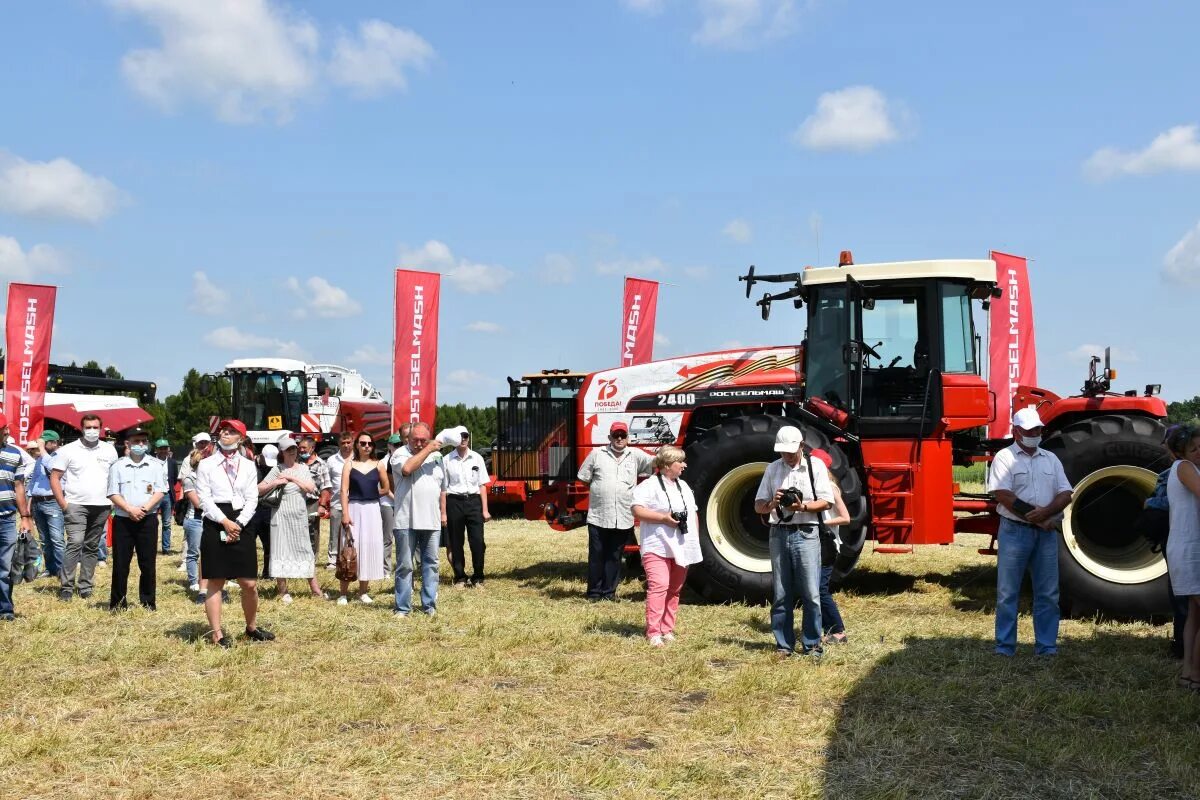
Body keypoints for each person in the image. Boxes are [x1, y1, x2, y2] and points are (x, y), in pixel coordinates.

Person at [987, 406, 1074, 657]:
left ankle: (1046, 648)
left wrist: (1045, 514)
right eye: (1029, 430)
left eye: (1037, 429)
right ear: (1016, 432)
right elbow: (1002, 494)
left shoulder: (1051, 458)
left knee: (1048, 594)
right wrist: (1038, 518)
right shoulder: (1004, 457)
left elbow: (1066, 492)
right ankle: (1005, 648)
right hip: (1015, 531)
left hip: (1045, 534)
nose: (1035, 433)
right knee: (1007, 593)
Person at [754, 425, 834, 657]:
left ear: (801, 446)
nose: (786, 457)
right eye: (782, 452)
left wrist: (802, 507)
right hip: (778, 532)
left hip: (807, 532)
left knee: (810, 592)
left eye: (790, 452)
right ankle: (783, 645)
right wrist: (773, 502)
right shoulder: (772, 469)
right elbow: (758, 505)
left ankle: (811, 644)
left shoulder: (814, 465)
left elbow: (827, 501)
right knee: (781, 592)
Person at [195, 419, 273, 647]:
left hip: (242, 520)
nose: (225, 434)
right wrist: (224, 521)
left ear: (241, 438)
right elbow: (204, 498)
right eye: (223, 431)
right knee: (215, 581)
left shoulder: (248, 466)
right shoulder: (206, 464)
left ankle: (251, 627)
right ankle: (217, 633)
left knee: (249, 583)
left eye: (231, 432)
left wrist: (237, 523)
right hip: (215, 519)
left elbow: (252, 498)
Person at [630, 446, 702, 646]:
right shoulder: (649, 486)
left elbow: (693, 512)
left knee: (675, 588)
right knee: (659, 586)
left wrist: (694, 539)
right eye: (681, 462)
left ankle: (667, 628)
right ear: (669, 465)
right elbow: (636, 510)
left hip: (682, 545)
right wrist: (663, 518)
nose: (684, 465)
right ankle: (653, 632)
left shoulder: (684, 486)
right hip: (657, 545)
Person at [577, 421, 654, 602]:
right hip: (599, 515)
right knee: (597, 555)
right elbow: (583, 478)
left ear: (628, 438)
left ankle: (609, 593)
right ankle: (594, 593)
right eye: (616, 435)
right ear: (609, 437)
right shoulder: (597, 454)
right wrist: (602, 490)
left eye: (623, 435)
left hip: (623, 516)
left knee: (615, 556)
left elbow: (654, 463)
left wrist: (669, 453)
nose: (619, 438)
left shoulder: (635, 455)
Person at [51, 414, 118, 602]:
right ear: (81, 428)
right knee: (75, 542)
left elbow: (115, 477)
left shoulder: (109, 450)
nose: (92, 431)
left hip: (102, 505)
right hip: (75, 504)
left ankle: (85, 586)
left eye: (95, 427)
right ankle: (66, 586)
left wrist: (113, 501)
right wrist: (63, 503)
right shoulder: (68, 450)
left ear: (101, 428)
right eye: (88, 427)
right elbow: (55, 477)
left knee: (91, 546)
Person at [390, 422, 450, 617]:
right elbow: (408, 469)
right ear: (407, 439)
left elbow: (442, 488)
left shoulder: (437, 458)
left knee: (431, 564)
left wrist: (443, 513)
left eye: (423, 440)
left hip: (431, 521)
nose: (419, 443)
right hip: (405, 521)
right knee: (405, 566)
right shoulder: (400, 454)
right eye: (415, 440)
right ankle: (402, 607)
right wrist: (429, 448)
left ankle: (429, 605)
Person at [106, 427, 167, 611]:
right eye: (136, 441)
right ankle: (118, 603)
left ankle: (148, 601)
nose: (141, 444)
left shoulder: (156, 465)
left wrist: (145, 508)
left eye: (144, 441)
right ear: (127, 444)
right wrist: (129, 509)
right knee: (120, 563)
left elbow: (161, 490)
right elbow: (112, 492)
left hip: (147, 520)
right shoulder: (117, 466)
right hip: (124, 520)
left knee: (148, 563)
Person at [262, 434, 323, 603]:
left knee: (305, 549)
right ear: (282, 451)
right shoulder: (276, 469)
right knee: (280, 550)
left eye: (294, 449)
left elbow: (311, 488)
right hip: (280, 516)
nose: (292, 452)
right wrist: (275, 483)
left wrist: (291, 477)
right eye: (288, 449)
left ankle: (315, 589)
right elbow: (259, 488)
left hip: (299, 515)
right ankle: (283, 590)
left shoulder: (303, 468)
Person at [1164, 425, 1200, 690]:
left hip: (1189, 547)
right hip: (1191, 551)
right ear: (1180, 452)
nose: (1199, 452)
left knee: (1194, 615)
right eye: (1194, 449)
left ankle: (1188, 671)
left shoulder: (1187, 468)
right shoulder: (1184, 468)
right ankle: (1196, 674)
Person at [337, 432, 390, 604]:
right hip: (354, 509)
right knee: (349, 549)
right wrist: (345, 513)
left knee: (368, 547)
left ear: (373, 446)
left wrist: (372, 494)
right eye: (363, 443)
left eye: (369, 443)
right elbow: (343, 491)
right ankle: (343, 593)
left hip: (373, 510)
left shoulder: (379, 464)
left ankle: (362, 592)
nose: (366, 446)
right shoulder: (349, 464)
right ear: (357, 445)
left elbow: (385, 487)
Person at [810, 448, 851, 644]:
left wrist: (822, 524)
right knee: (816, 589)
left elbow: (845, 518)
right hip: (817, 544)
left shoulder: (830, 488)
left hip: (828, 545)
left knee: (820, 590)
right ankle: (826, 629)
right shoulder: (818, 486)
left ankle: (838, 631)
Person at [442, 428, 492, 587]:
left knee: (477, 541)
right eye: (460, 436)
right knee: (456, 542)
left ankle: (478, 576)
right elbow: (443, 489)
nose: (463, 439)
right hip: (454, 502)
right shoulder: (446, 460)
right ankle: (460, 577)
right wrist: (443, 513)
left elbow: (482, 485)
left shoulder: (477, 458)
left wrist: (485, 509)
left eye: (466, 436)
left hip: (474, 501)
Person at [0, 413, 33, 621]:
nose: (6, 431)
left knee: (5, 567)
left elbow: (19, 486)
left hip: (7, 519)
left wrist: (25, 517)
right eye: (4, 428)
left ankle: (5, 610)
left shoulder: (15, 455)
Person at [179, 432, 214, 598]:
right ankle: (193, 581)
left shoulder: (210, 478)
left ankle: (210, 581)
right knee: (193, 553)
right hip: (195, 520)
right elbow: (198, 504)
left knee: (209, 553)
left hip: (209, 519)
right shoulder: (189, 479)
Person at [26, 431, 63, 578]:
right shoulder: (40, 459)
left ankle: (62, 571)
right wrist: (29, 502)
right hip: (37, 502)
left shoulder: (59, 457)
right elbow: (33, 480)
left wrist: (41, 449)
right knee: (44, 539)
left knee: (57, 539)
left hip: (52, 501)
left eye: (44, 442)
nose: (41, 445)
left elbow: (52, 467)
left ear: (54, 443)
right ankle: (51, 568)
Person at [296, 436, 332, 568]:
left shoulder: (321, 464)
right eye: (300, 448)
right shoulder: (296, 463)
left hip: (312, 502)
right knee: (297, 530)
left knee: (312, 531)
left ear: (312, 448)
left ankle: (312, 559)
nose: (301, 450)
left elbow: (326, 487)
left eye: (304, 448)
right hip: (297, 501)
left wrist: (322, 505)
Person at [325, 432, 354, 570]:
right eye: (343, 443)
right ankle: (332, 559)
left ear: (353, 442)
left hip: (354, 502)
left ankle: (351, 556)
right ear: (339, 444)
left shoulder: (358, 459)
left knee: (352, 532)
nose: (346, 445)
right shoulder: (331, 460)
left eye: (348, 442)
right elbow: (327, 481)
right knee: (334, 532)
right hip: (336, 501)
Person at [154, 439, 178, 555]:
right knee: (152, 522)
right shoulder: (151, 462)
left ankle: (166, 548)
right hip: (154, 495)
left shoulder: (172, 462)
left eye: (165, 448)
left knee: (167, 523)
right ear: (156, 449)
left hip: (168, 495)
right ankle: (151, 547)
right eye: (161, 448)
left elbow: (174, 479)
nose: (163, 450)